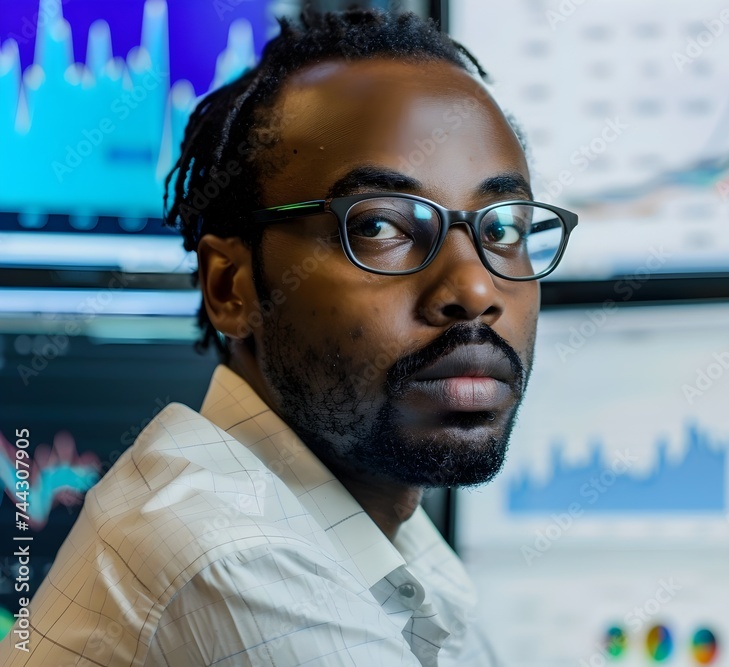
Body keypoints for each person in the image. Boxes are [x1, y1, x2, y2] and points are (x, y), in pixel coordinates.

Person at [0, 9, 576, 666]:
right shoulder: (231, 557)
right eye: (380, 226)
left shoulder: (388, 544)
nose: (475, 288)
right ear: (230, 287)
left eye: (502, 229)